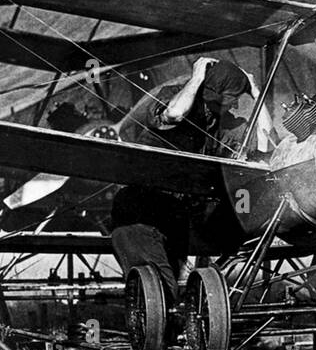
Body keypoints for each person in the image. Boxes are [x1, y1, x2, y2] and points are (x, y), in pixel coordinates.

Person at [109, 57, 270, 303]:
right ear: (217, 94)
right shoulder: (173, 96)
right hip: (138, 212)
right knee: (159, 292)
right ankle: (152, 335)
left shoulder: (222, 124)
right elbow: (174, 114)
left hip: (174, 214)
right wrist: (197, 78)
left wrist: (256, 91)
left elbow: (264, 142)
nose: (238, 102)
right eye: (234, 95)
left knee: (169, 294)